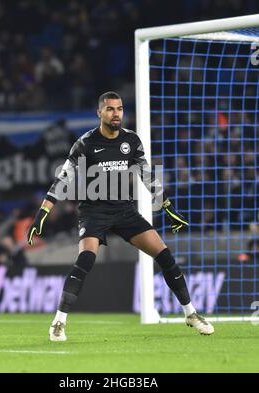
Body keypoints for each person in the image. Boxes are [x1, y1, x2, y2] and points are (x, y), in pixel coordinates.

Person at [27, 91, 214, 341]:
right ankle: (58, 323)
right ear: (100, 113)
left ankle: (191, 314)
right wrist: (43, 213)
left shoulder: (131, 141)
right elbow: (63, 179)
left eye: (120, 109)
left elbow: (147, 176)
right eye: (110, 109)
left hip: (124, 210)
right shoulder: (85, 143)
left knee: (165, 256)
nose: (116, 114)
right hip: (94, 211)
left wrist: (167, 206)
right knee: (86, 259)